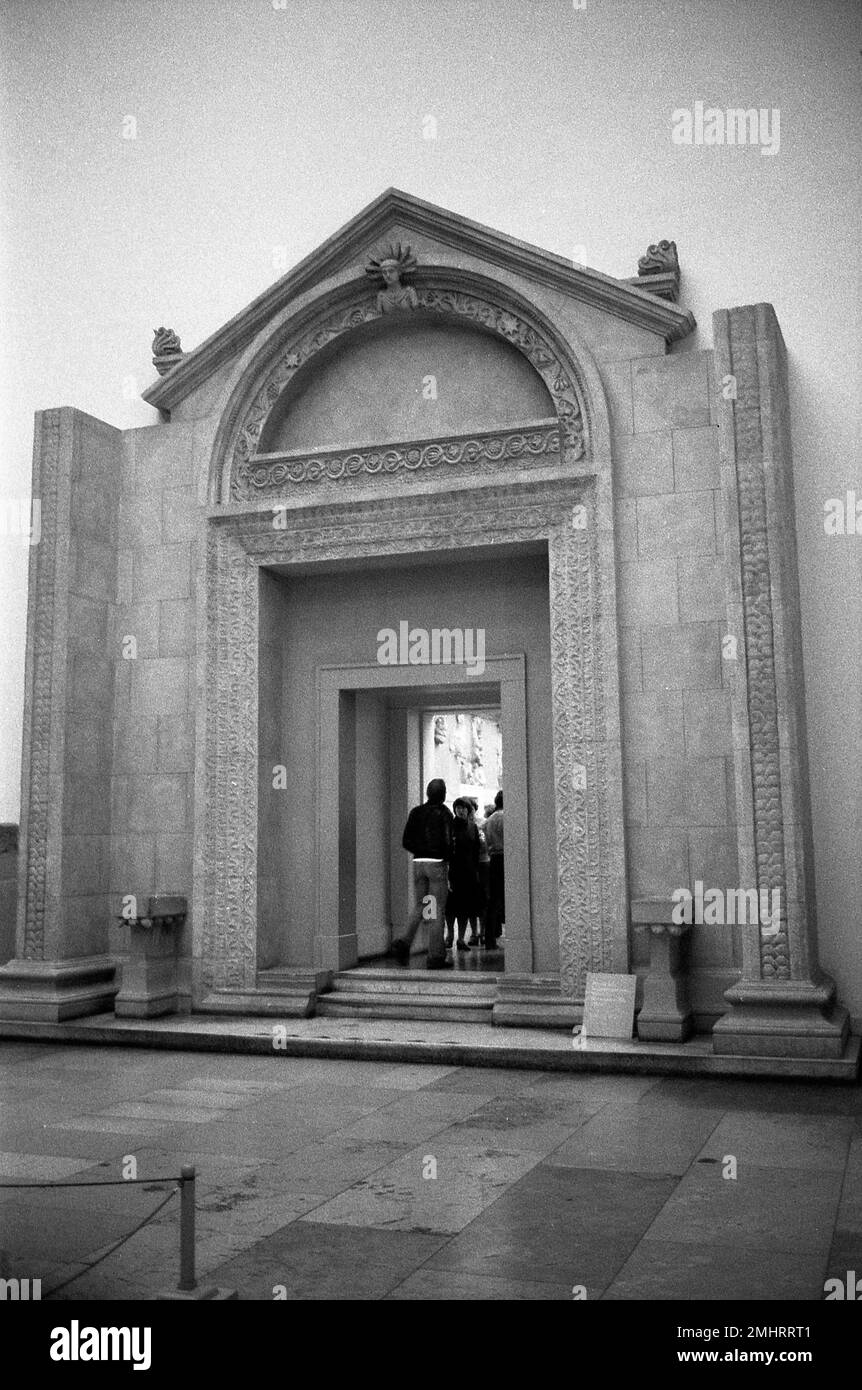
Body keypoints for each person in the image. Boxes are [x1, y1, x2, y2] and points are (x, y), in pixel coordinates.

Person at [389, 779, 454, 969]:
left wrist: (422, 851)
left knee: (423, 905)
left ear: (427, 793)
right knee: (437, 909)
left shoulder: (416, 812)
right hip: (436, 865)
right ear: (442, 794)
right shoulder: (444, 813)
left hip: (418, 863)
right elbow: (449, 842)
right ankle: (435, 956)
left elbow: (406, 841)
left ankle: (404, 942)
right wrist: (445, 859)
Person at [444, 798, 481, 951]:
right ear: (455, 809)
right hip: (453, 871)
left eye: (464, 808)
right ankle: (450, 935)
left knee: (465, 907)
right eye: (458, 807)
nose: (461, 810)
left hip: (469, 872)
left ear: (468, 810)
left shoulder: (473, 827)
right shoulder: (449, 826)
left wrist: (475, 870)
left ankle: (460, 938)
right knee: (451, 906)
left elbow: (476, 850)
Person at [483, 790, 505, 949]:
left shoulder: (488, 820)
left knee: (493, 899)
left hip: (493, 859)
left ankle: (489, 937)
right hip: (505, 857)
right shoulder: (505, 817)